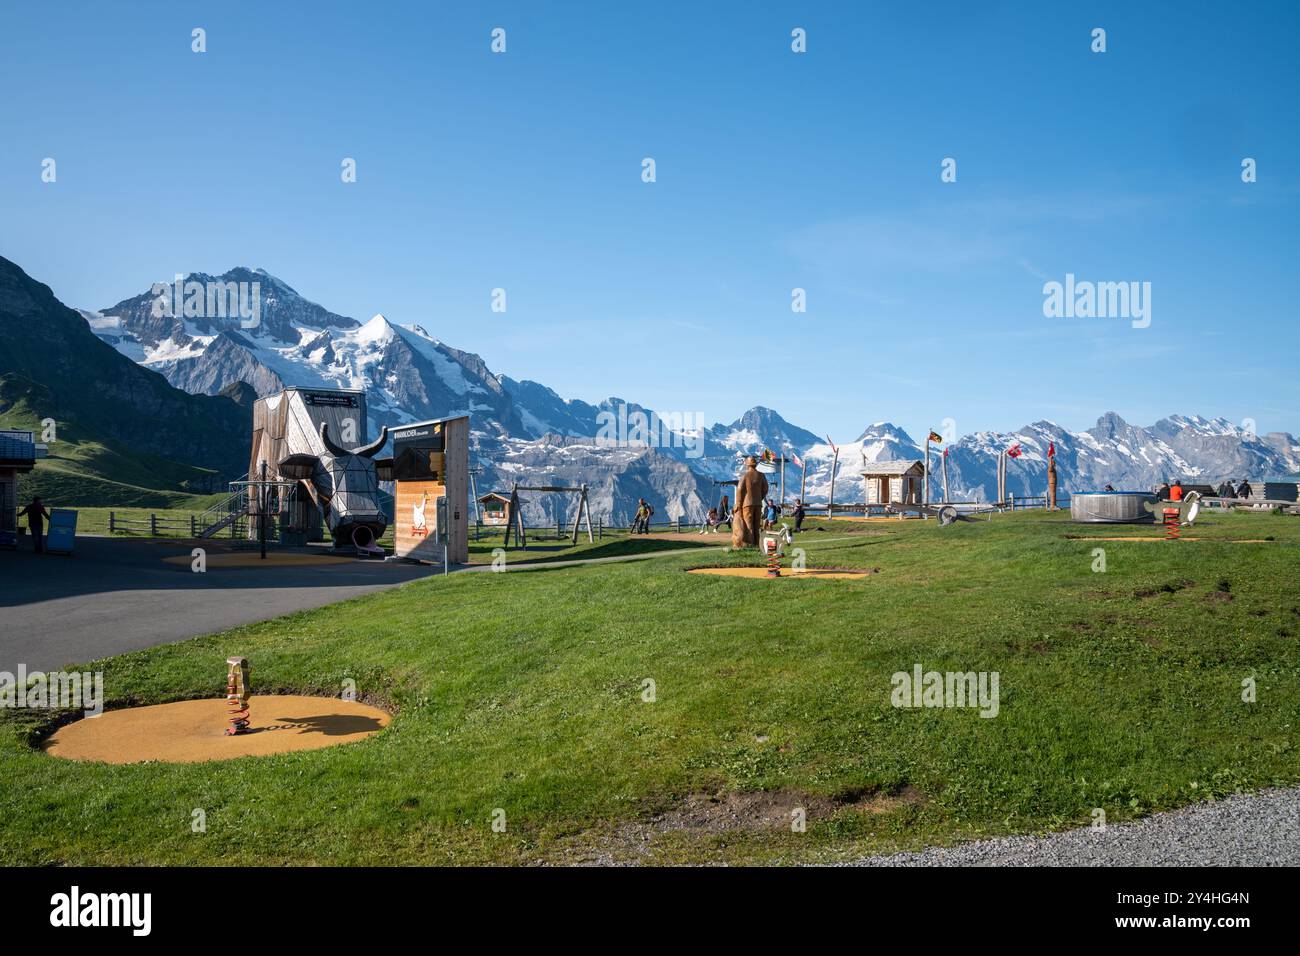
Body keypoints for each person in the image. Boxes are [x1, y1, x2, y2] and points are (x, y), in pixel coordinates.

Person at [731, 456, 769, 549]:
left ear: (747, 465)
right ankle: (757, 543)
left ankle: (750, 544)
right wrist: (760, 497)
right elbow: (765, 488)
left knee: (749, 525)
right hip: (758, 504)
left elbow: (740, 490)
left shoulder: (745, 476)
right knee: (756, 524)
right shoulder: (761, 475)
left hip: (747, 504)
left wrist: (738, 504)